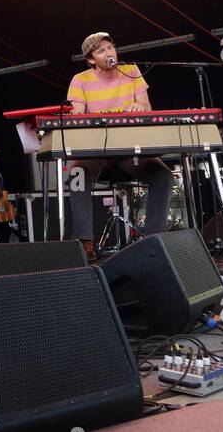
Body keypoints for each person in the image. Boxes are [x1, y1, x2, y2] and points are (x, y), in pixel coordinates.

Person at [66, 31, 173, 260]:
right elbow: (76, 116)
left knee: (163, 175)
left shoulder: (132, 71)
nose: (108, 52)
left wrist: (138, 106)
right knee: (76, 172)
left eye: (110, 47)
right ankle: (85, 242)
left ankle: (153, 240)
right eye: (101, 50)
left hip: (128, 152)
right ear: (91, 60)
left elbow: (147, 109)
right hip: (96, 154)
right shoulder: (80, 79)